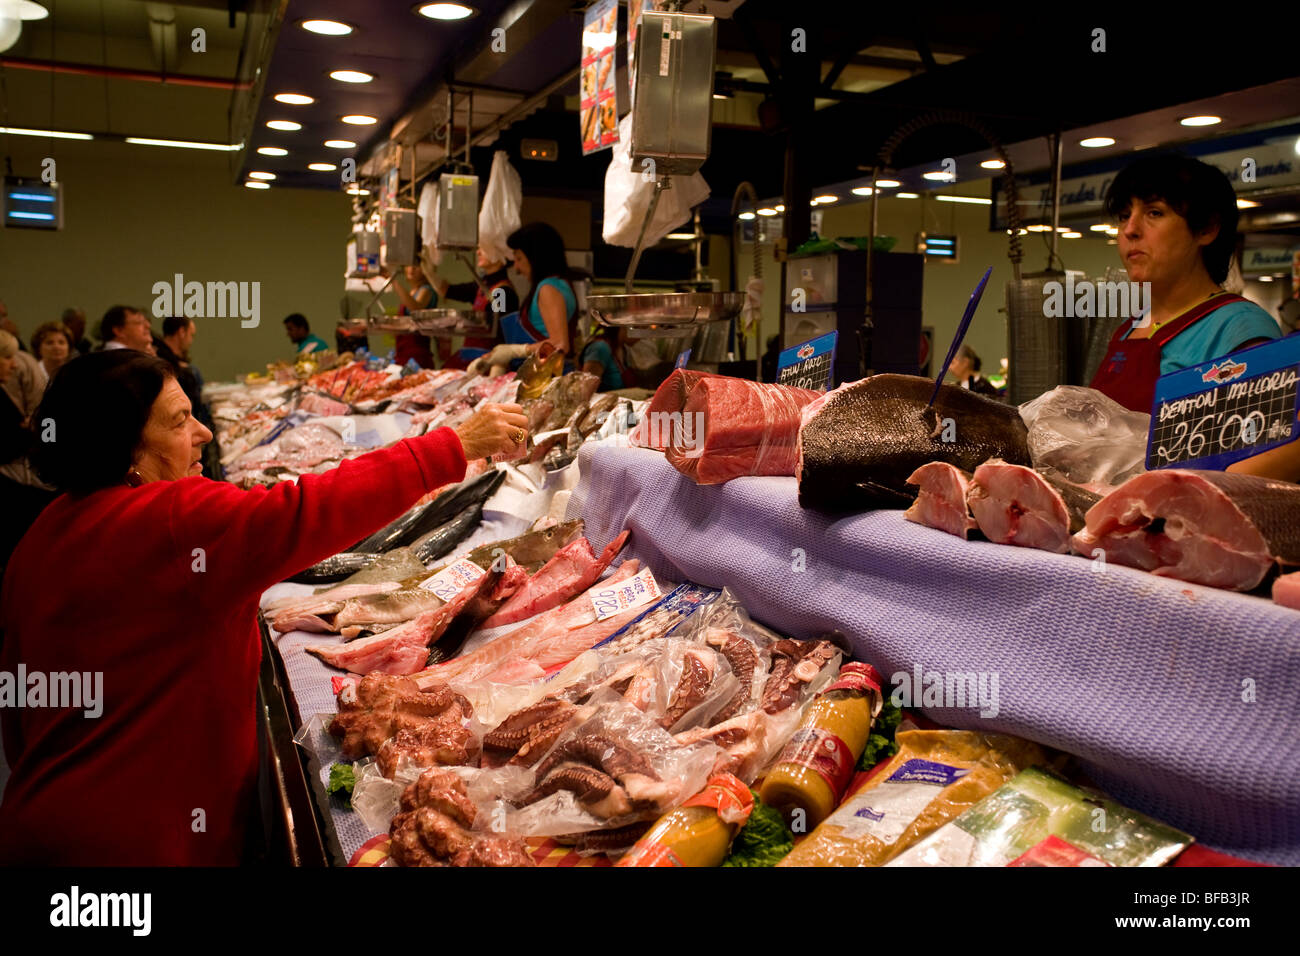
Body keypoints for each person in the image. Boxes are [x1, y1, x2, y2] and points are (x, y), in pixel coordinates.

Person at [0, 350, 531, 865]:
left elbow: (17, 705)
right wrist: (450, 447)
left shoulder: (41, 532)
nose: (204, 432)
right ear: (128, 448)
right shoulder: (174, 519)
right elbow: (307, 510)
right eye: (180, 420)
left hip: (41, 821)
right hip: (141, 841)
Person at [1089, 154, 1280, 413]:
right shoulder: (1127, 331)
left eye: (1154, 212)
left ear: (1207, 229)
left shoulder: (1240, 328)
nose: (1129, 229)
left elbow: (1268, 443)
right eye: (1124, 215)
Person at [0, 330, 56, 568]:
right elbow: (8, 443)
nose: (13, 366)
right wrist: (35, 430)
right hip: (15, 487)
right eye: (7, 358)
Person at [430, 245, 520, 368]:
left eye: (483, 247)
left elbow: (497, 331)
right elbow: (446, 290)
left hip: (487, 361)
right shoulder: (482, 285)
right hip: (469, 356)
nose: (477, 252)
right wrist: (428, 272)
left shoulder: (502, 291)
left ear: (500, 255)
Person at [388, 263, 437, 368]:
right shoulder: (412, 292)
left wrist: (393, 280)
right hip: (402, 354)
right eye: (409, 264)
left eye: (417, 264)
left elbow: (415, 308)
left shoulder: (427, 290)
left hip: (417, 357)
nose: (412, 268)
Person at [579, 324, 632, 391]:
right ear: (623, 327)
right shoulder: (600, 348)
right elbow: (586, 388)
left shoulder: (622, 348)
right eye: (637, 327)